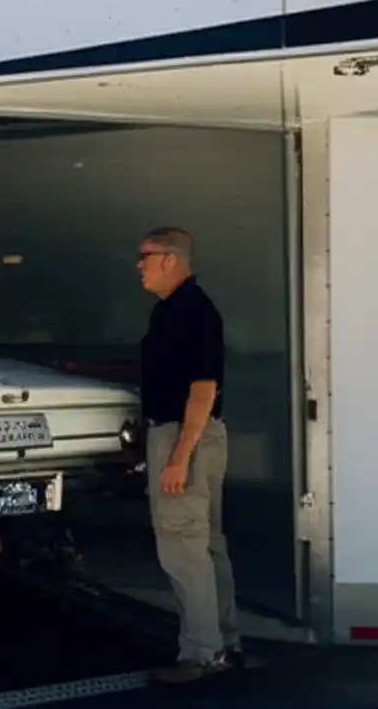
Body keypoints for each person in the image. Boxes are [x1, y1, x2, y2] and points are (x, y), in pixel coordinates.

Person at [136, 227, 242, 683]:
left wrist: (179, 456)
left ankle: (202, 654)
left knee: (182, 548)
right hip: (199, 437)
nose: (138, 265)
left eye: (145, 256)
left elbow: (202, 387)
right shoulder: (173, 312)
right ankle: (224, 642)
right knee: (206, 545)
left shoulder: (191, 312)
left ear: (169, 259)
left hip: (185, 436)